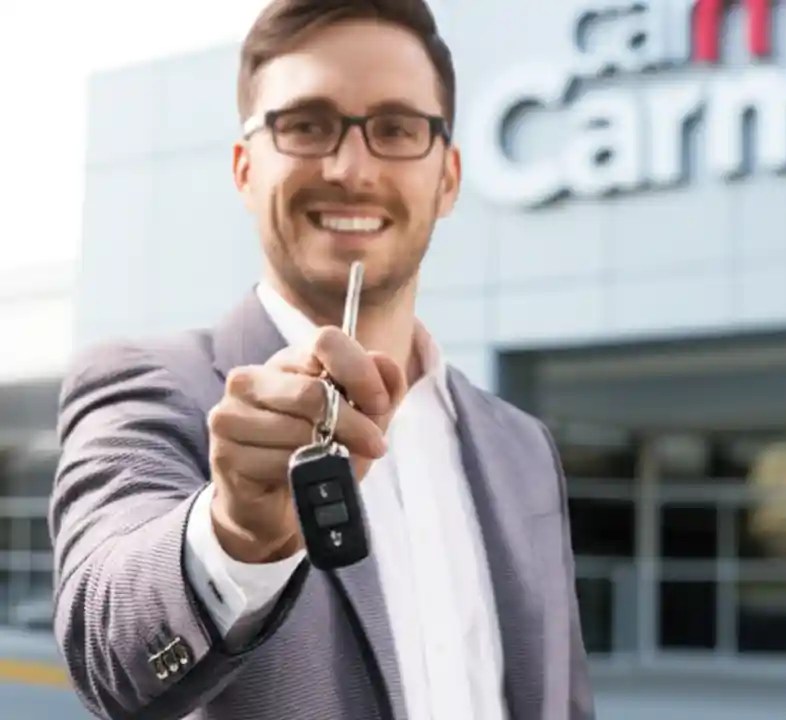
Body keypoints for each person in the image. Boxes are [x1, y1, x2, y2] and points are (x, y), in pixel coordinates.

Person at [49, 0, 594, 718]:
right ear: (245, 169)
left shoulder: (521, 447)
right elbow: (109, 650)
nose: (350, 167)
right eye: (306, 125)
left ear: (449, 177)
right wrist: (235, 532)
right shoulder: (150, 385)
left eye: (397, 129)